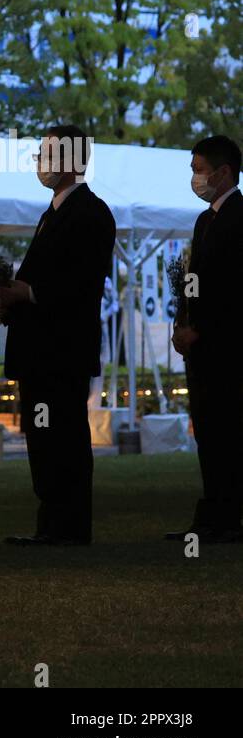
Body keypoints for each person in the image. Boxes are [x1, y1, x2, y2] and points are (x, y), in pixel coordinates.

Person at [0, 125, 114, 546]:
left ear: (73, 161)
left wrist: (30, 292)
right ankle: (52, 521)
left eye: (47, 154)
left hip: (61, 351)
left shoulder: (90, 212)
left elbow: (84, 284)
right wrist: (12, 300)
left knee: (63, 435)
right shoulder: (55, 212)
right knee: (45, 436)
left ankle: (69, 523)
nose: (40, 162)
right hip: (42, 350)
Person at [167, 135, 243, 544]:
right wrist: (182, 321)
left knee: (227, 432)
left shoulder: (238, 218)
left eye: (199, 169)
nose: (196, 177)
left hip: (226, 348)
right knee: (209, 433)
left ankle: (228, 516)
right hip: (199, 345)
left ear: (223, 172)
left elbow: (234, 291)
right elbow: (194, 282)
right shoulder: (204, 220)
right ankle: (212, 513)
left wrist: (204, 328)